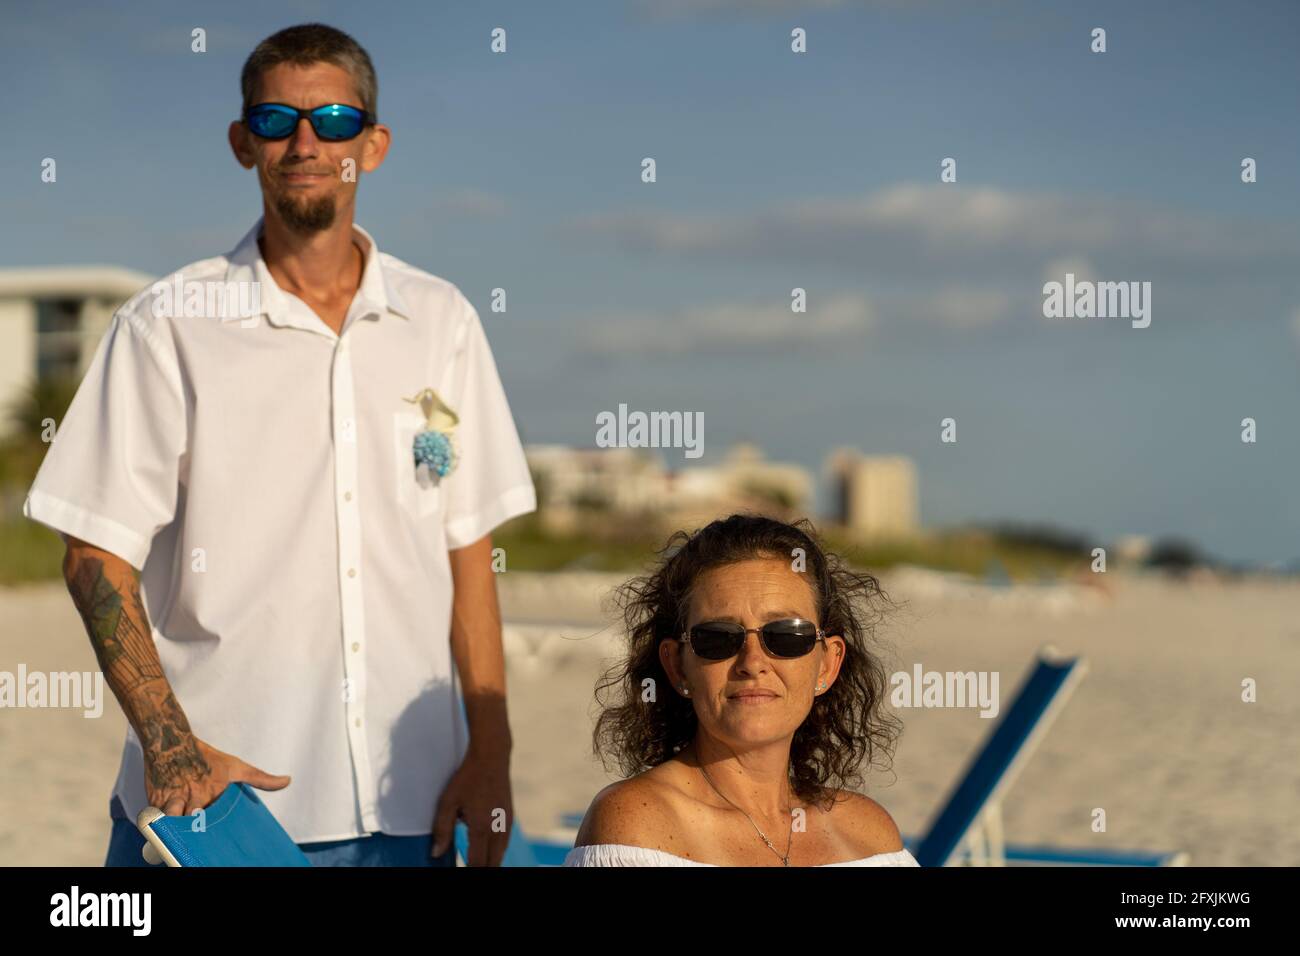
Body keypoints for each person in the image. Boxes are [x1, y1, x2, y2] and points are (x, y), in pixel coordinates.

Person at [23, 23, 535, 867]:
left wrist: (493, 755)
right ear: (242, 143)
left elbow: (469, 556)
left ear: (372, 145)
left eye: (333, 120)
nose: (305, 142)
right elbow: (94, 554)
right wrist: (170, 746)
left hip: (418, 806)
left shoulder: (443, 320)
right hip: (218, 811)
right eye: (275, 120)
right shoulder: (166, 326)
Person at [566, 514, 918, 866]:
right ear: (677, 666)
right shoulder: (636, 825)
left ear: (827, 664)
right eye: (718, 638)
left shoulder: (870, 837)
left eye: (786, 635)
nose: (752, 662)